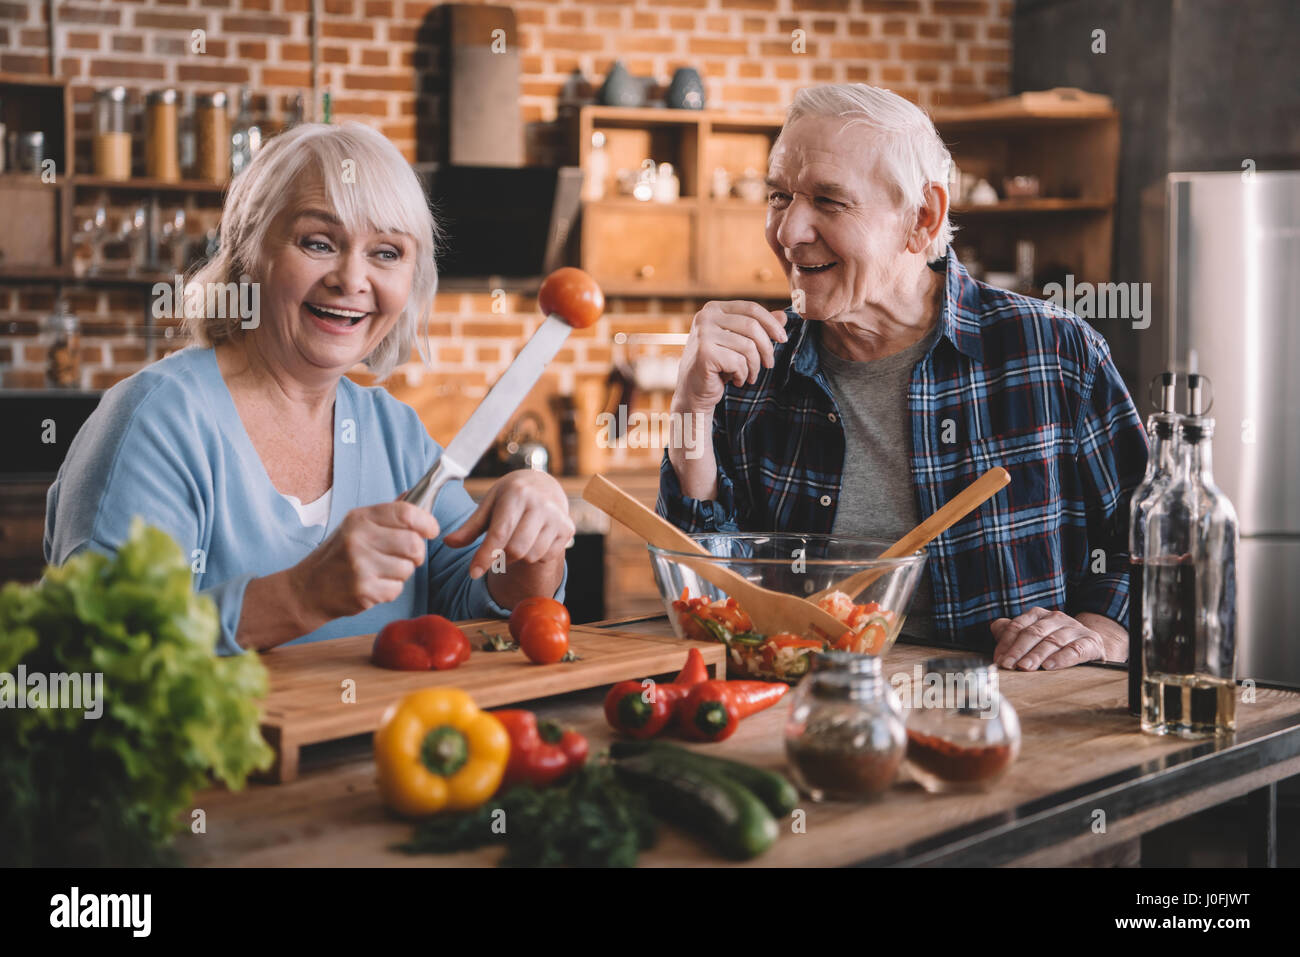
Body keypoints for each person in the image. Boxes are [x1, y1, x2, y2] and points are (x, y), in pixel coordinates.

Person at [658, 84, 1148, 671]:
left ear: (923, 218)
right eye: (779, 196)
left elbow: (1156, 547)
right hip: (800, 722)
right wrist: (690, 411)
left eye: (829, 201)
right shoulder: (751, 367)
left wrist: (1100, 632)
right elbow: (703, 600)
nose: (788, 232)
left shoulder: (1053, 353)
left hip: (1006, 731)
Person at [45, 122, 572, 656]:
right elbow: (96, 650)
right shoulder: (157, 419)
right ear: (248, 250)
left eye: (387, 253)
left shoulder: (395, 433)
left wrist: (531, 547)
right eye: (318, 243)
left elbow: (474, 605)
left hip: (380, 741)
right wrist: (303, 594)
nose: (351, 278)